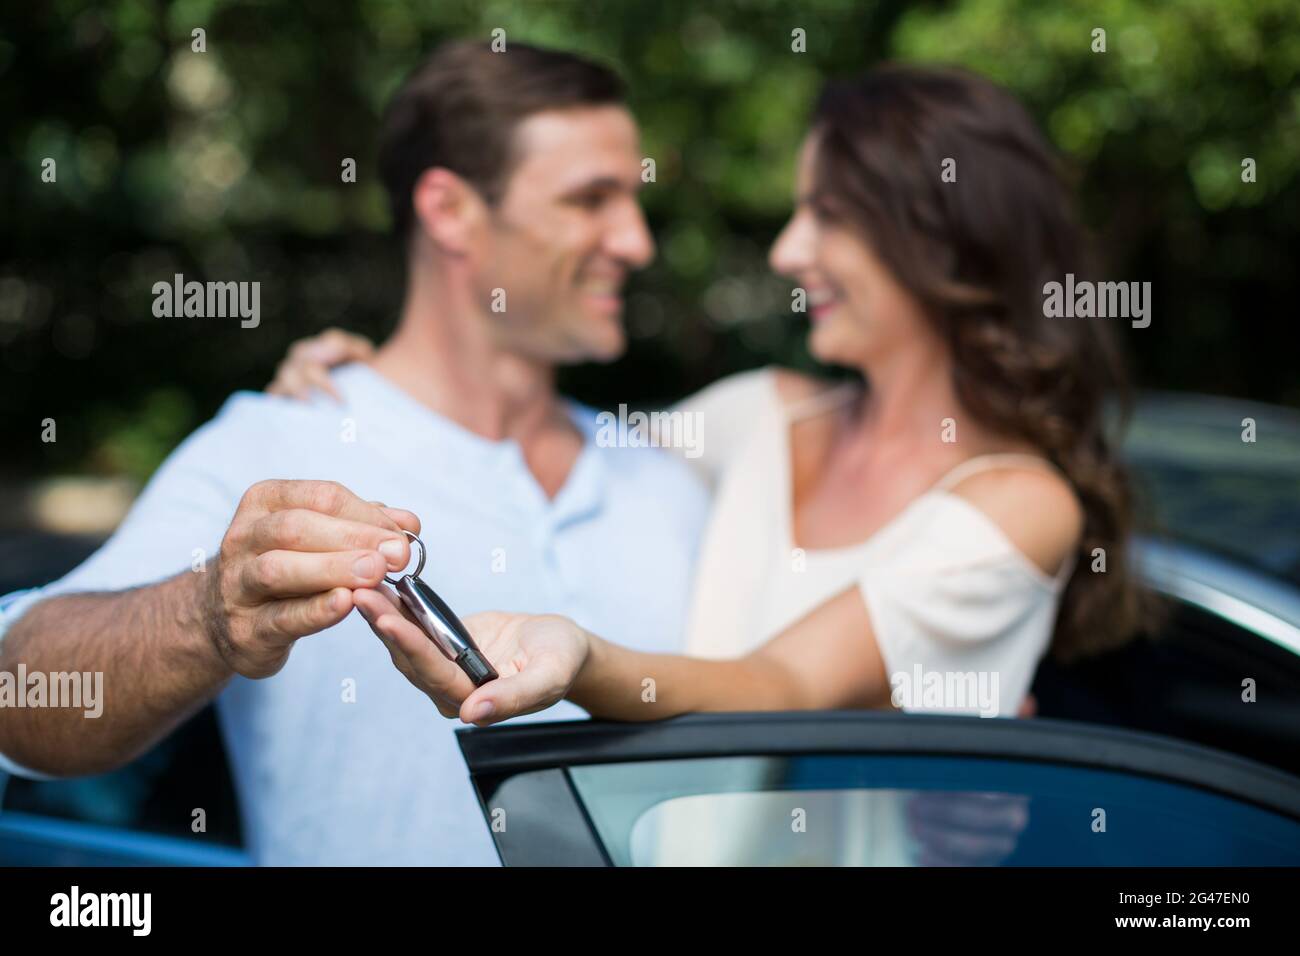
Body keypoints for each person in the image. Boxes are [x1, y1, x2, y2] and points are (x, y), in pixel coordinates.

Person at [0, 42, 708, 865]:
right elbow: (17, 694)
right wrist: (208, 617)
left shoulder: (673, 480)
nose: (636, 242)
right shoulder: (273, 446)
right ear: (448, 210)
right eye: (592, 199)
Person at [280, 65, 1142, 735]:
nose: (787, 251)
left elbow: (783, 686)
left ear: (944, 238)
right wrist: (393, 376)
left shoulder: (1021, 504)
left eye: (828, 214)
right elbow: (552, 445)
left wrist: (581, 659)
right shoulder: (759, 414)